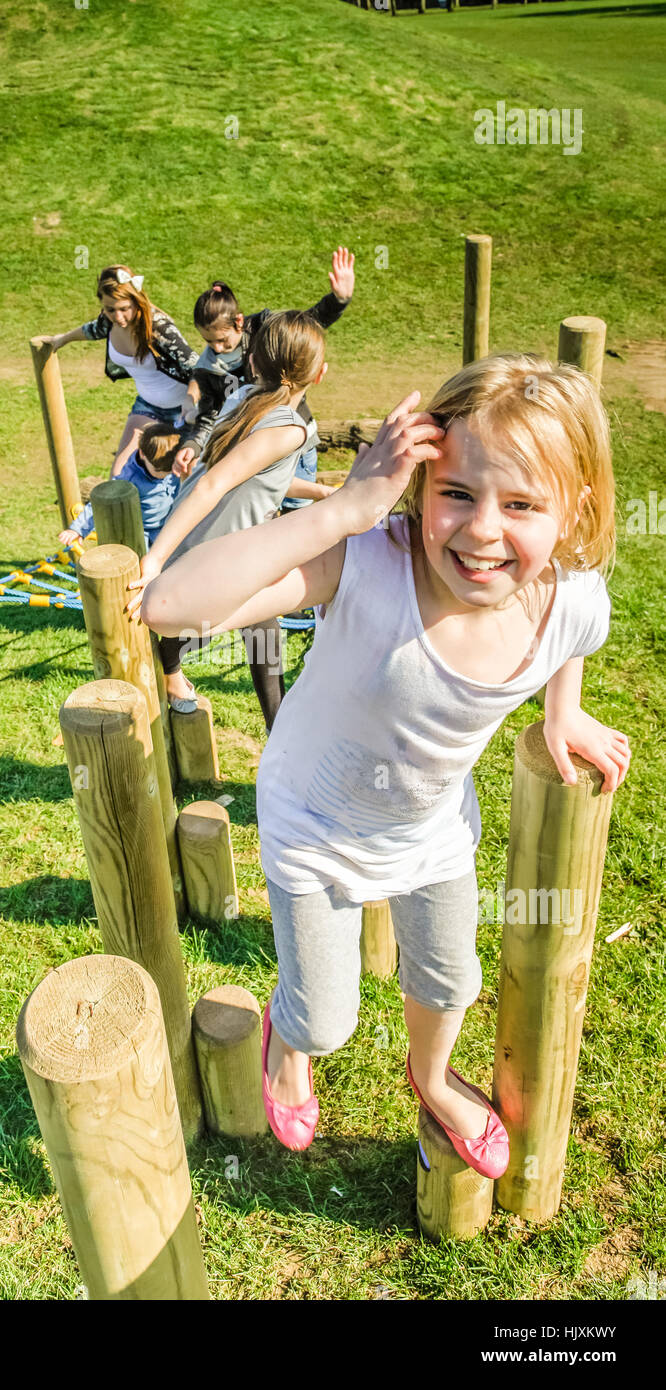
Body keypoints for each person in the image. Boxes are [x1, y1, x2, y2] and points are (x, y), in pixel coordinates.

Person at [137, 353, 631, 1171]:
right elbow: (169, 606)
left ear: (574, 510)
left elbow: (575, 636)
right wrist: (343, 511)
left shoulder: (570, 598)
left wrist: (563, 710)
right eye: (457, 493)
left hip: (430, 830)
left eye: (521, 504)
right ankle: (288, 1044)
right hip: (315, 827)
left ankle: (431, 1077)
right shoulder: (367, 564)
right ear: (419, 484)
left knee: (450, 983)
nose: (482, 530)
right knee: (325, 1019)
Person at [125, 310, 327, 725]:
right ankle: (171, 674)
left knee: (262, 627)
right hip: (216, 551)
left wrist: (323, 493)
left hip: (216, 540)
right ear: (320, 374)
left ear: (252, 362)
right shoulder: (290, 429)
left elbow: (264, 479)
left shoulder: (246, 396)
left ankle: (276, 724)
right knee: (210, 622)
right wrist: (156, 559)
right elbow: (215, 483)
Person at [174, 246, 355, 492]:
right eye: (208, 341)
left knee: (298, 507)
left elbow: (305, 326)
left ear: (239, 321)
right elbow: (208, 416)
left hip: (295, 439)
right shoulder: (206, 369)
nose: (217, 348)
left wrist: (338, 300)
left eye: (222, 340)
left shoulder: (264, 328)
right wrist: (193, 446)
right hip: (255, 448)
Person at [40, 264, 199, 477]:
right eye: (110, 309)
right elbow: (92, 330)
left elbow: (199, 369)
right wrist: (61, 339)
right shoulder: (108, 322)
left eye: (124, 308)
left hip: (182, 411)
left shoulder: (159, 328)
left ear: (137, 300)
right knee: (119, 475)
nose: (118, 317)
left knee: (180, 475)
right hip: (148, 406)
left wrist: (190, 401)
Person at [57, 422, 182, 552]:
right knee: (141, 558)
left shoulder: (172, 463)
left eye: (170, 471)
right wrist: (77, 529)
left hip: (166, 522)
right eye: (159, 471)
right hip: (141, 530)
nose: (165, 475)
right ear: (142, 454)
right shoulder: (130, 479)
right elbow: (103, 503)